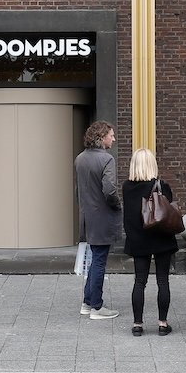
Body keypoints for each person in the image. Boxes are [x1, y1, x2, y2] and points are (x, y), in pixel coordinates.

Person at [121, 148, 178, 336]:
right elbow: (169, 213)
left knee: (139, 281)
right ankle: (163, 323)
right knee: (163, 280)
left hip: (138, 240)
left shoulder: (127, 188)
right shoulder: (162, 186)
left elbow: (129, 217)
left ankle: (138, 324)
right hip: (161, 238)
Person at [74, 121, 121, 320]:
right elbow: (109, 190)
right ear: (102, 137)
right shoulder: (107, 159)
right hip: (102, 217)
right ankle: (97, 307)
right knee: (100, 261)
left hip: (87, 216)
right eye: (111, 135)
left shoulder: (80, 158)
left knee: (95, 260)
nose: (114, 138)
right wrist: (117, 205)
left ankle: (87, 302)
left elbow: (78, 191)